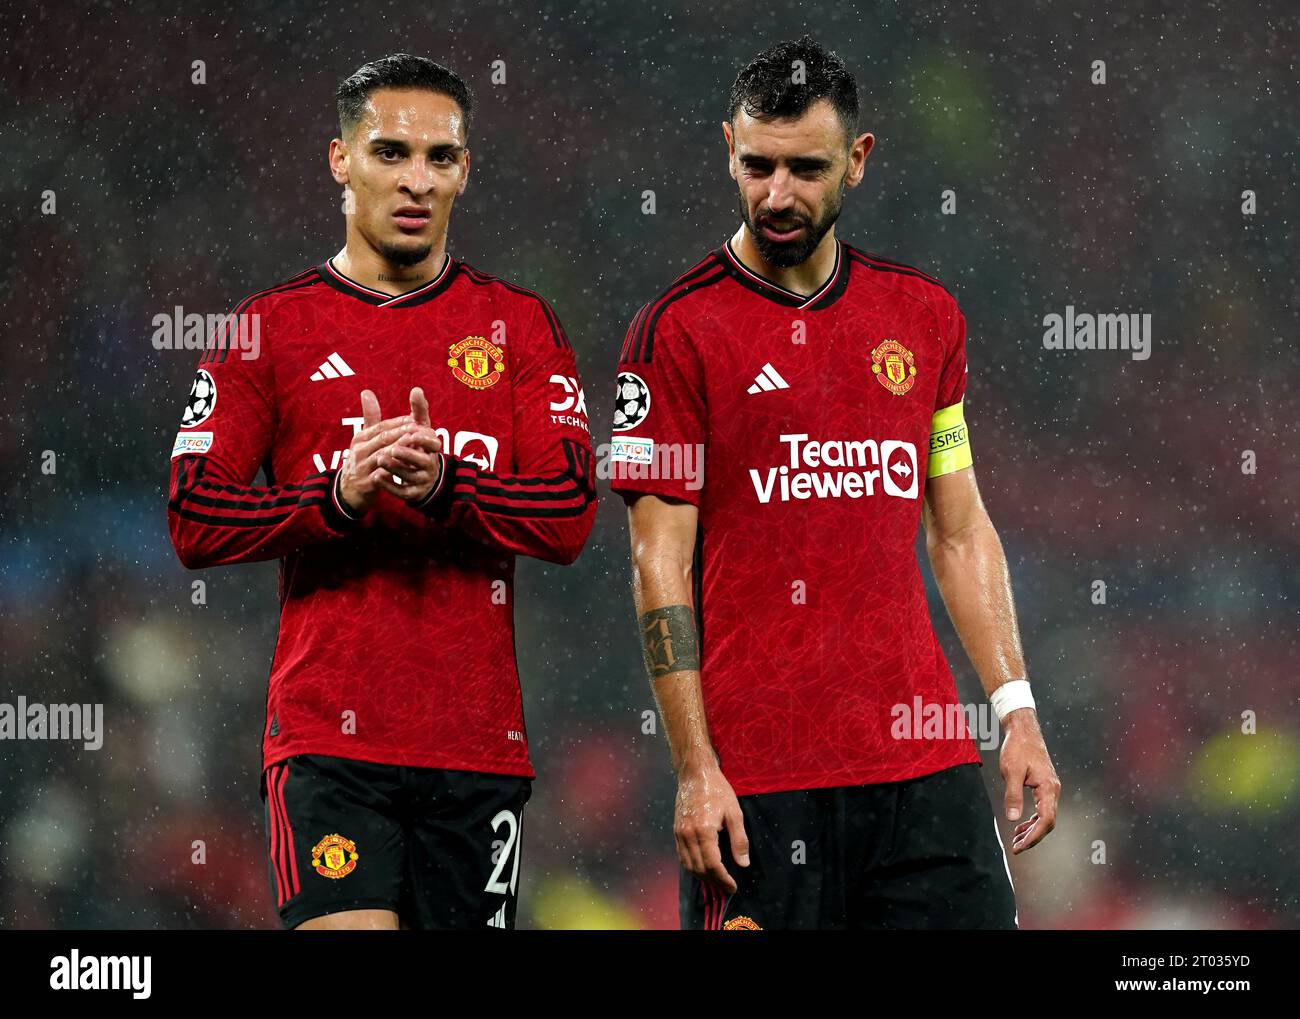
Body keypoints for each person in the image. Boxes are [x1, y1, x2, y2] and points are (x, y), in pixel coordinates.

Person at [611, 36, 1059, 929]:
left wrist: (1017, 712)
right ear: (728, 149)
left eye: (805, 169)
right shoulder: (675, 333)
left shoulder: (923, 318)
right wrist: (695, 767)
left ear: (857, 161)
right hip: (760, 785)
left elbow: (960, 528)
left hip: (922, 770)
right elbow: (657, 566)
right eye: (758, 165)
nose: (777, 195)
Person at [166, 53, 596, 929]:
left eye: (441, 158)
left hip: (477, 748)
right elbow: (193, 516)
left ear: (466, 170)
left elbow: (569, 513)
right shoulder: (268, 329)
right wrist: (334, 499)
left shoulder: (519, 326)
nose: (417, 180)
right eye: (390, 152)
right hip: (329, 744)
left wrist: (449, 488)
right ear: (340, 160)